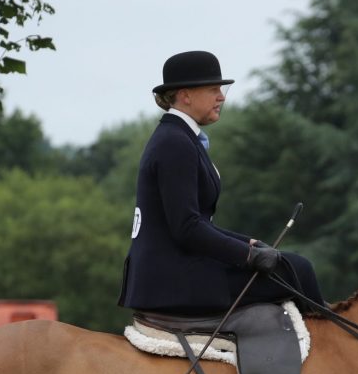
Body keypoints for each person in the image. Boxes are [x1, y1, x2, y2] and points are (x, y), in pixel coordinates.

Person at [117, 50, 324, 316]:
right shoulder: (174, 143)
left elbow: (198, 223)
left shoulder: (179, 137)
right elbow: (187, 228)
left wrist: (250, 243)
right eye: (213, 89)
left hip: (176, 273)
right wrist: (247, 256)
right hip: (174, 281)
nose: (221, 97)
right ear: (186, 95)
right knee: (298, 270)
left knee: (291, 266)